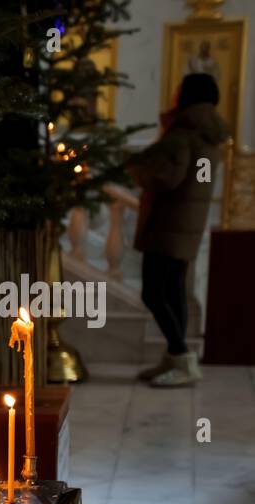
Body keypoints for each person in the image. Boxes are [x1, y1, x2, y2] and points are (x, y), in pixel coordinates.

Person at [128, 72, 228, 387]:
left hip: (168, 225)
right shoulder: (207, 133)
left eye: (178, 90)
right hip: (187, 224)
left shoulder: (183, 133)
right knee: (173, 292)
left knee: (155, 292)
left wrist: (136, 166)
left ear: (187, 96)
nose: (173, 94)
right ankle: (176, 359)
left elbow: (166, 177)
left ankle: (181, 357)